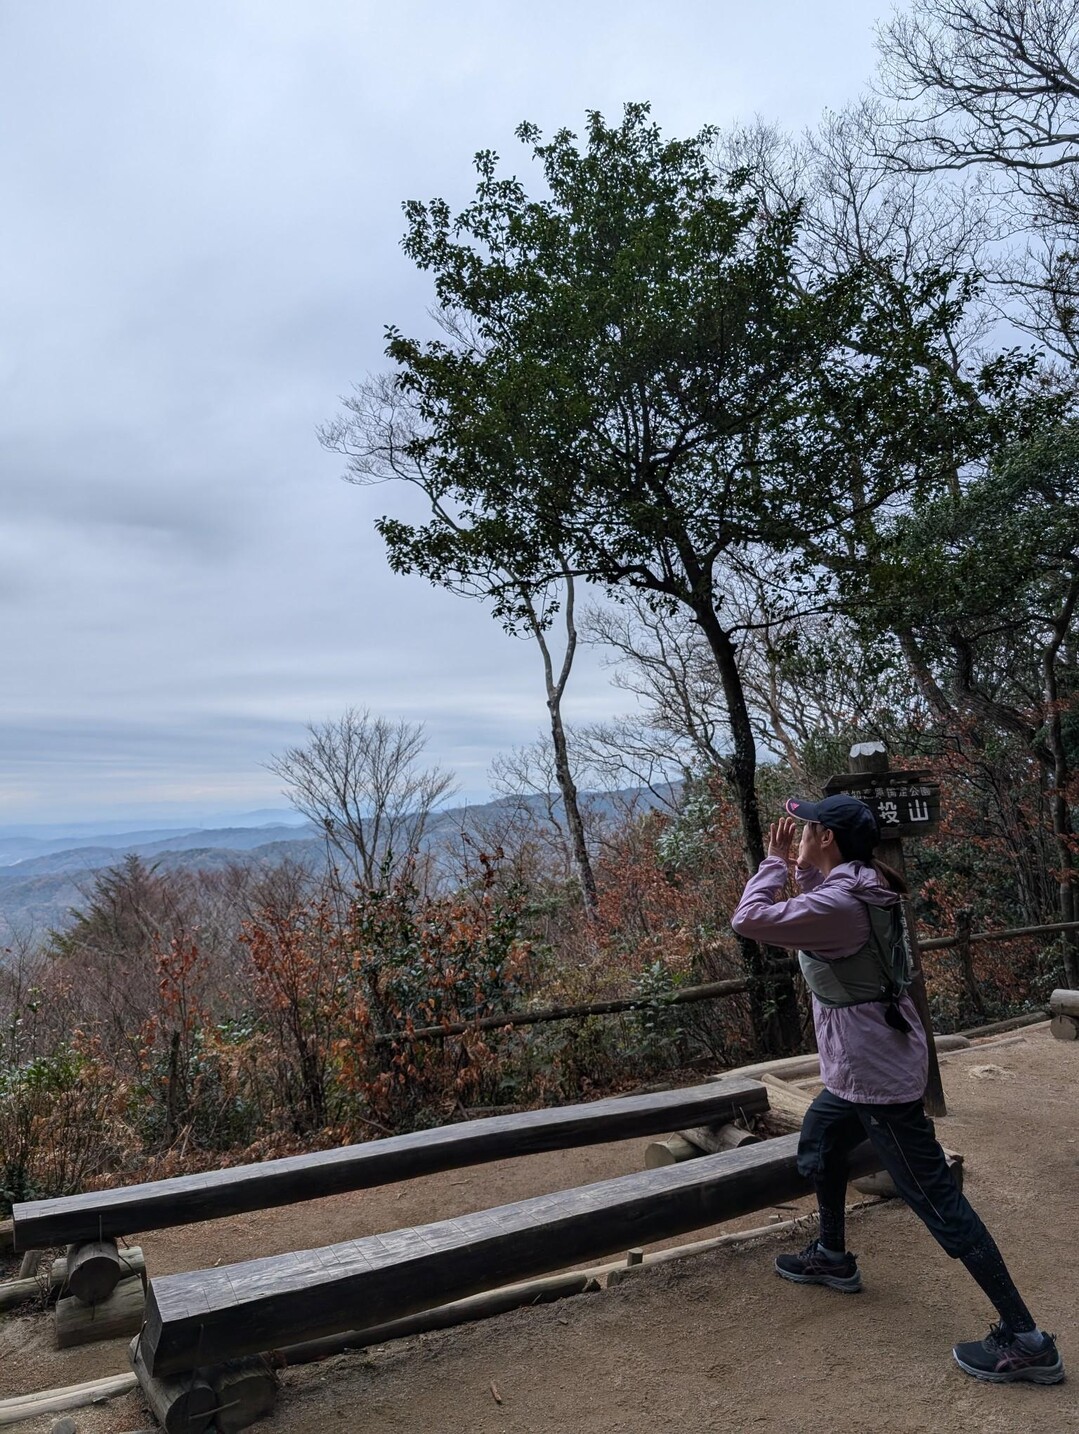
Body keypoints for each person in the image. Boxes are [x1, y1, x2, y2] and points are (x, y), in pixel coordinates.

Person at [730, 794, 1064, 1385]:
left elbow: (750, 921)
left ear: (827, 838)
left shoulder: (840, 901)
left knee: (938, 1202)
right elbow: (816, 906)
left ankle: (1026, 1338)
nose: (800, 833)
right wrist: (801, 866)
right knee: (820, 1144)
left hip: (875, 1076)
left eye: (808, 828)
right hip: (860, 1069)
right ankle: (832, 1256)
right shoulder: (860, 881)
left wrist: (775, 863)